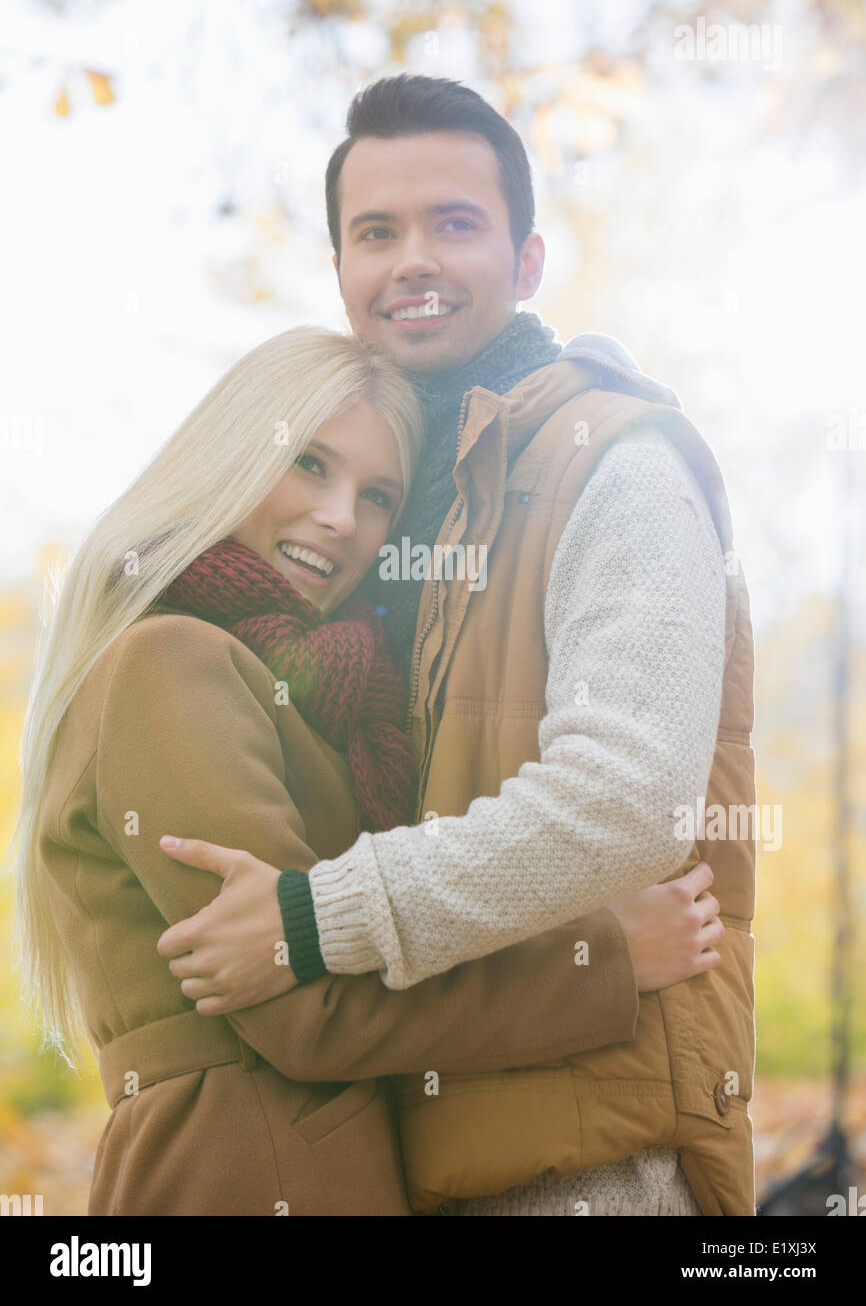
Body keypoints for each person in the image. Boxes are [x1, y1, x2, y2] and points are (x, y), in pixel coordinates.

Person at [157, 75, 757, 1217]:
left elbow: (628, 795)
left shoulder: (612, 460)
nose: (411, 261)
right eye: (375, 232)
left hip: (582, 1157)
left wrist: (309, 916)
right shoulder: (372, 510)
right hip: (416, 1135)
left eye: (455, 224)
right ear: (340, 273)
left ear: (527, 263)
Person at [13, 325, 714, 1217]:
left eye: (377, 495)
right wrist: (604, 958)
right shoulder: (168, 664)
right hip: (241, 1174)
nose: (342, 518)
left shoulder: (304, 687)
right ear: (226, 457)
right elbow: (307, 1016)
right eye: (310, 465)